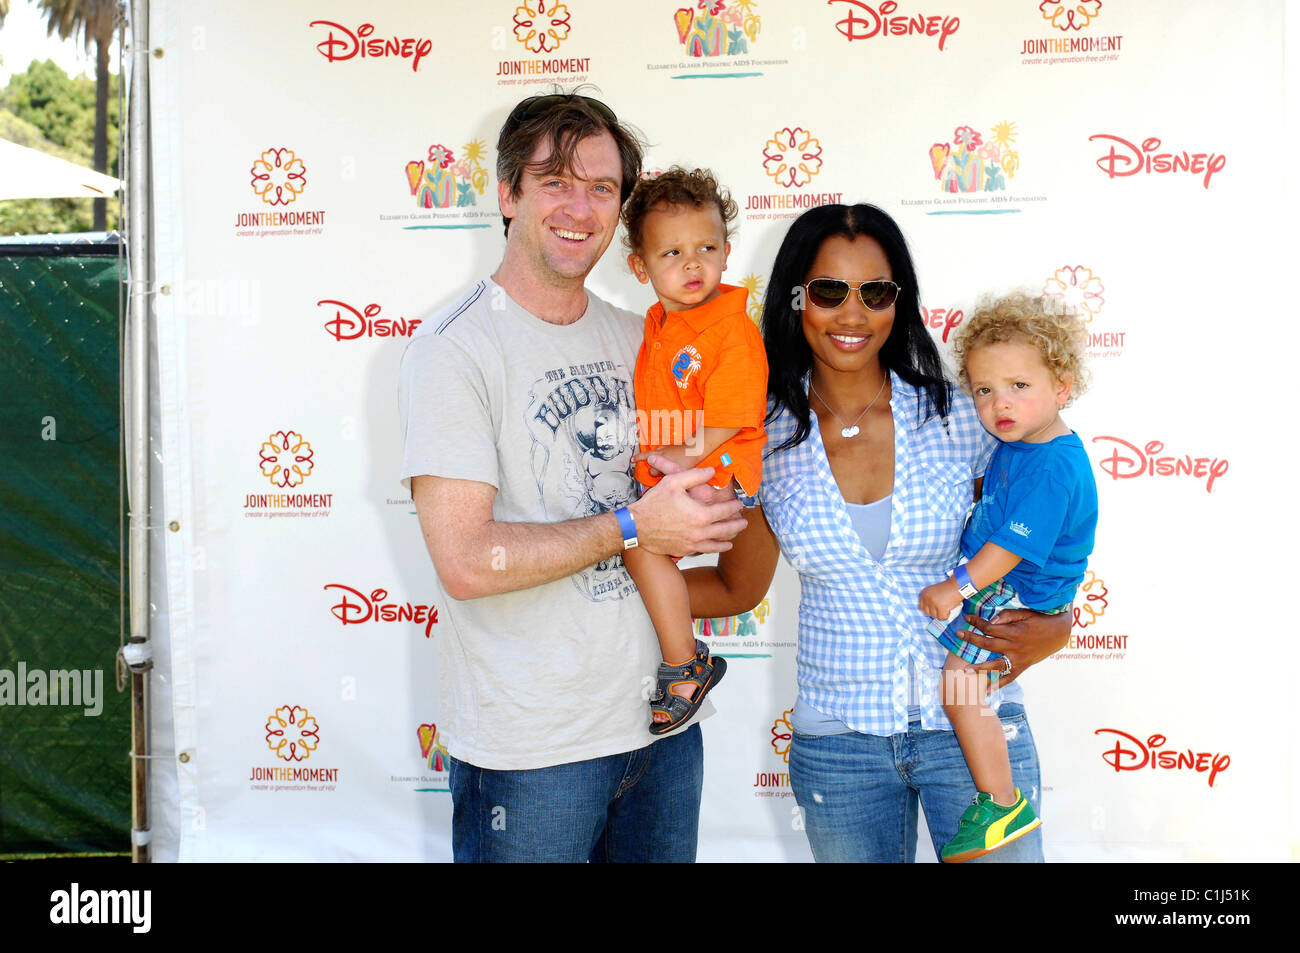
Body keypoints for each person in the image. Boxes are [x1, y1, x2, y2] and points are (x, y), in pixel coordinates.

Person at [398, 93, 747, 863]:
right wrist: (631, 526)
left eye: (601, 188)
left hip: (663, 734)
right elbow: (464, 560)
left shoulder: (647, 338)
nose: (579, 207)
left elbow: (715, 481)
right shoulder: (453, 350)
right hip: (531, 754)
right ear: (507, 193)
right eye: (554, 180)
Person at [674, 203, 1073, 863]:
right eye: (829, 291)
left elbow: (1052, 514)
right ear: (797, 300)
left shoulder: (964, 417)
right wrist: (613, 585)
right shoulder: (760, 437)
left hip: (971, 731)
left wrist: (1059, 619)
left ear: (900, 301)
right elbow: (736, 586)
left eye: (876, 291)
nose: (852, 313)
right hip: (840, 751)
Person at [918, 292, 1097, 862]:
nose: (1001, 404)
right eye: (984, 390)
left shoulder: (1052, 465)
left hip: (1018, 591)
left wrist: (957, 587)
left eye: (1020, 386)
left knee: (960, 688)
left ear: (1062, 386)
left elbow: (1009, 549)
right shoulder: (1023, 444)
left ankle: (1000, 803)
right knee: (962, 687)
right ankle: (999, 799)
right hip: (1010, 585)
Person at [619, 167, 768, 734]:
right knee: (637, 554)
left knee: (638, 544)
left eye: (706, 247)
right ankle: (683, 654)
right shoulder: (660, 322)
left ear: (728, 253)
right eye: (671, 252)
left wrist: (682, 459)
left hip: (717, 467)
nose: (692, 264)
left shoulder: (731, 330)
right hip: (683, 466)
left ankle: (685, 664)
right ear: (640, 267)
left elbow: (732, 415)